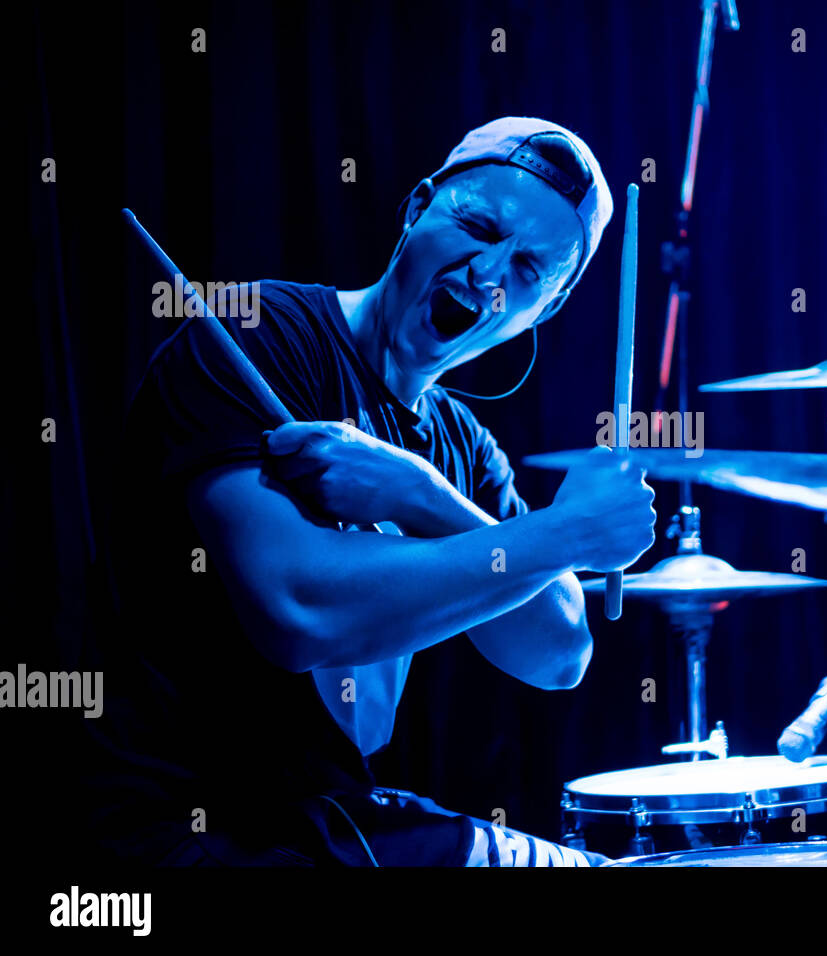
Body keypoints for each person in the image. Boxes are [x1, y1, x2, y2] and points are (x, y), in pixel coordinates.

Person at [93, 117, 656, 866]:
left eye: (526, 272)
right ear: (418, 205)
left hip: (332, 822)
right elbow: (298, 613)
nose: (487, 275)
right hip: (176, 831)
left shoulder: (462, 446)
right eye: (477, 226)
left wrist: (420, 494)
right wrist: (570, 534)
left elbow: (558, 651)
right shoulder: (253, 329)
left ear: (541, 313)